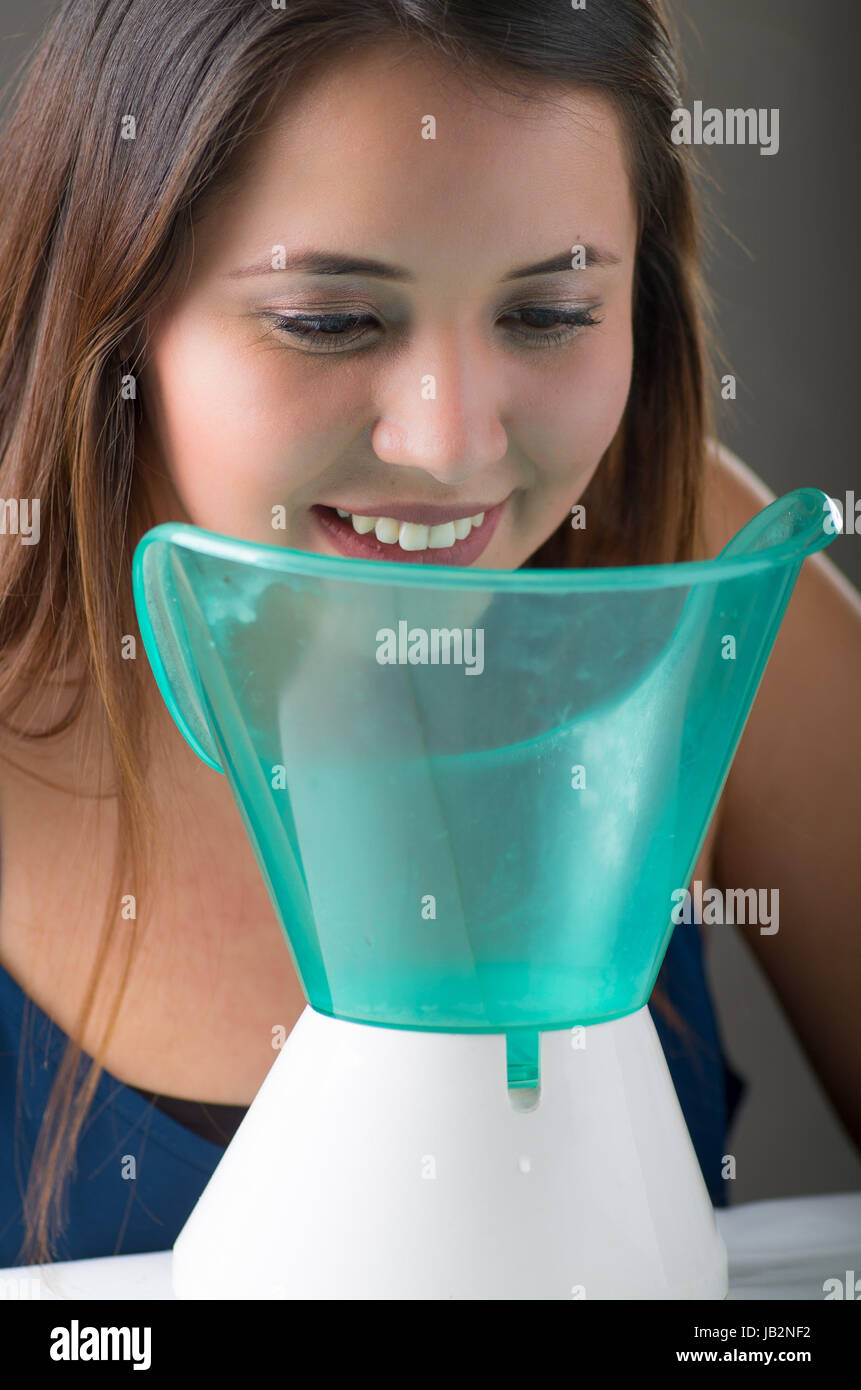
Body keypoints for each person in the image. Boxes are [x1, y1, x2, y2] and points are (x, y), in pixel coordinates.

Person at [0, 0, 858, 1270]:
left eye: (551, 315)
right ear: (115, 306)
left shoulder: (686, 573)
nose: (454, 446)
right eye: (331, 320)